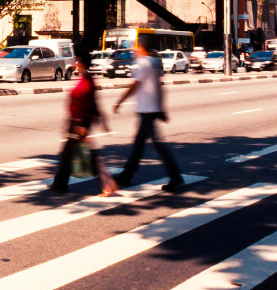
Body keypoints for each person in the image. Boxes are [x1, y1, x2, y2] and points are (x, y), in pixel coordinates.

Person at [112, 37, 185, 192]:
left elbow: (135, 85)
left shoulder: (142, 63)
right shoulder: (155, 62)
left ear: (141, 47)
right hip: (152, 109)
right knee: (139, 145)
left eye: (135, 47)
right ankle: (127, 174)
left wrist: (120, 101)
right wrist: (161, 107)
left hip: (146, 110)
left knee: (158, 146)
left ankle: (176, 178)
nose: (133, 49)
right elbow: (160, 87)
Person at [51, 43, 119, 195]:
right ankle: (59, 184)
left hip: (79, 123)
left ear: (81, 62)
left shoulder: (86, 82)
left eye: (77, 60)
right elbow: (95, 104)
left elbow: (90, 104)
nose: (74, 63)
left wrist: (82, 125)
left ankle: (107, 184)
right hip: (76, 122)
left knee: (85, 155)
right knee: (67, 154)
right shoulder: (86, 79)